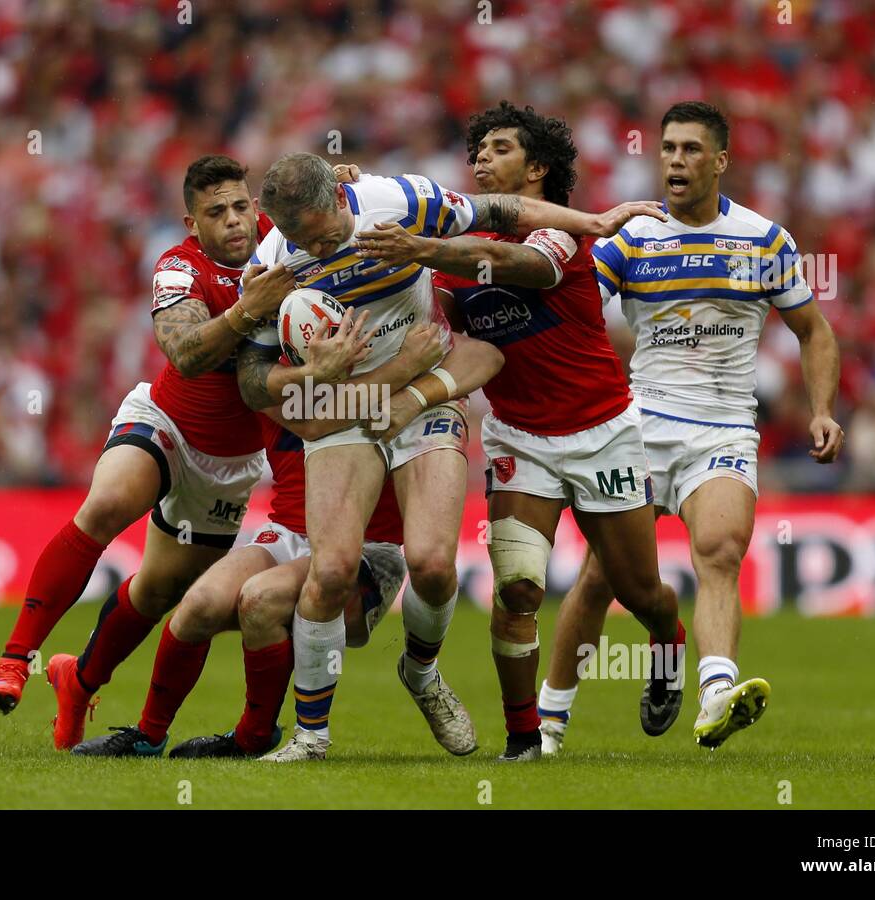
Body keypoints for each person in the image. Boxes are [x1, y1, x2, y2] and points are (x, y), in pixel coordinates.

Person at [236, 151, 665, 761]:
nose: (316, 245)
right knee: (330, 572)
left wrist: (588, 222)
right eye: (298, 236)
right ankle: (311, 737)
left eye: (320, 230)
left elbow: (498, 209)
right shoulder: (274, 262)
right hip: (347, 402)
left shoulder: (397, 201)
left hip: (422, 390)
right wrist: (307, 372)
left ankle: (421, 671)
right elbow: (251, 380)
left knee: (435, 565)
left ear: (339, 196)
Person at [0, 155, 363, 751]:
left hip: (229, 468)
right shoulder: (178, 269)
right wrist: (244, 312)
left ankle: (78, 682)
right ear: (192, 223)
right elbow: (184, 352)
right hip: (166, 425)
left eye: (241, 207)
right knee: (107, 505)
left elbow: (339, 214)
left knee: (159, 592)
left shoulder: (284, 244)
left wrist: (342, 182)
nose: (233, 222)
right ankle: (13, 658)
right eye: (216, 213)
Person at [351, 101, 685, 761]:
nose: (480, 158)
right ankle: (524, 738)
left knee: (639, 591)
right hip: (519, 438)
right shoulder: (450, 259)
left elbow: (526, 270)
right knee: (519, 589)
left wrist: (423, 246)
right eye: (477, 150)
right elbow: (434, 320)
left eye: (499, 148)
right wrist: (354, 203)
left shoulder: (561, 235)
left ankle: (668, 641)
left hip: (603, 432)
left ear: (537, 169)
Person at [545, 101, 844, 750]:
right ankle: (547, 725)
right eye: (668, 148)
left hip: (724, 430)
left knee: (720, 552)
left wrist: (821, 409)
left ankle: (715, 698)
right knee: (601, 575)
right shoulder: (631, 238)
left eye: (689, 149)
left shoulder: (764, 241)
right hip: (639, 428)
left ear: (720, 162)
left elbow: (813, 331)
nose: (675, 160)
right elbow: (571, 313)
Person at [66, 334, 503, 759]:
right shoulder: (259, 367)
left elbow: (484, 355)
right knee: (197, 604)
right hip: (290, 531)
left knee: (261, 600)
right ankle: (148, 735)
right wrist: (401, 371)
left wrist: (413, 377)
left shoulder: (380, 337)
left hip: (368, 549)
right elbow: (317, 419)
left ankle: (255, 736)